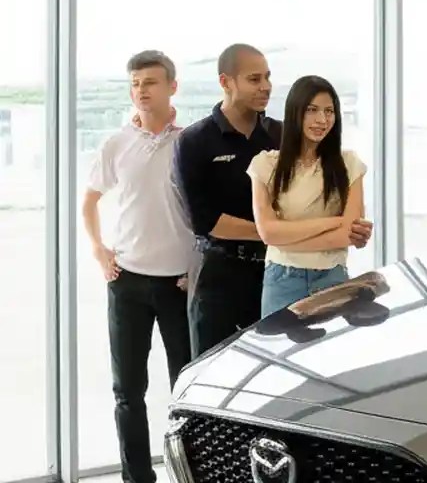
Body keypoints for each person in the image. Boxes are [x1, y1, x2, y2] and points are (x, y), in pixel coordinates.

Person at [173, 44, 372, 356]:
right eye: (254, 79)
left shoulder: (282, 137)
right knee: (214, 369)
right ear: (226, 82)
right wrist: (279, 232)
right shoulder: (194, 141)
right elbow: (207, 221)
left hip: (275, 268)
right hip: (220, 274)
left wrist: (285, 234)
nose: (265, 86)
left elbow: (333, 210)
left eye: (267, 77)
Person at [82, 50, 194, 483]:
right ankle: (137, 477)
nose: (141, 90)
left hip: (179, 286)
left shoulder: (189, 141)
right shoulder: (116, 144)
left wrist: (196, 268)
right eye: (134, 83)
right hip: (126, 282)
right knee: (127, 392)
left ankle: (188, 472)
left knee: (184, 391)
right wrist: (99, 250)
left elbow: (205, 212)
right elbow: (90, 201)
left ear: (172, 86)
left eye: (149, 81)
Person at [248, 75, 372, 317]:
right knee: (278, 353)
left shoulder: (349, 164)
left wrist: (285, 237)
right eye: (312, 110)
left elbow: (348, 234)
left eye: (329, 111)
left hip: (332, 279)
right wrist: (335, 222)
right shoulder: (265, 165)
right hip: (282, 279)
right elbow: (268, 233)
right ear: (295, 112)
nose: (322, 120)